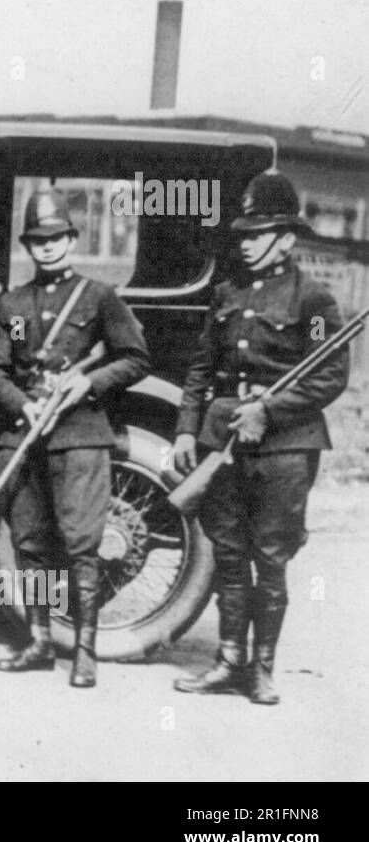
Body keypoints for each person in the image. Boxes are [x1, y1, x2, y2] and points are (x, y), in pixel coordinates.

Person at [172, 170, 348, 705]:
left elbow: (329, 375)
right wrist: (185, 428)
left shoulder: (315, 301)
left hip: (286, 448)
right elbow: (202, 367)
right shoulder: (226, 292)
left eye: (258, 232)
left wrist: (269, 411)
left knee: (270, 557)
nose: (245, 242)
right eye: (243, 233)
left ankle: (262, 670)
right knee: (227, 553)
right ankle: (228, 661)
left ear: (287, 238)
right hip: (222, 438)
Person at [0, 189, 150, 687]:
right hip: (25, 434)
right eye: (38, 240)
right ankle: (38, 639)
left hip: (78, 436)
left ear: (72, 239)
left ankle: (85, 651)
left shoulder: (99, 297)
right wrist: (23, 403)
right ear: (28, 247)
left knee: (81, 544)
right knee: (30, 543)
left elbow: (136, 358)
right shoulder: (13, 305)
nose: (47, 247)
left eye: (56, 237)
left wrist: (86, 384)